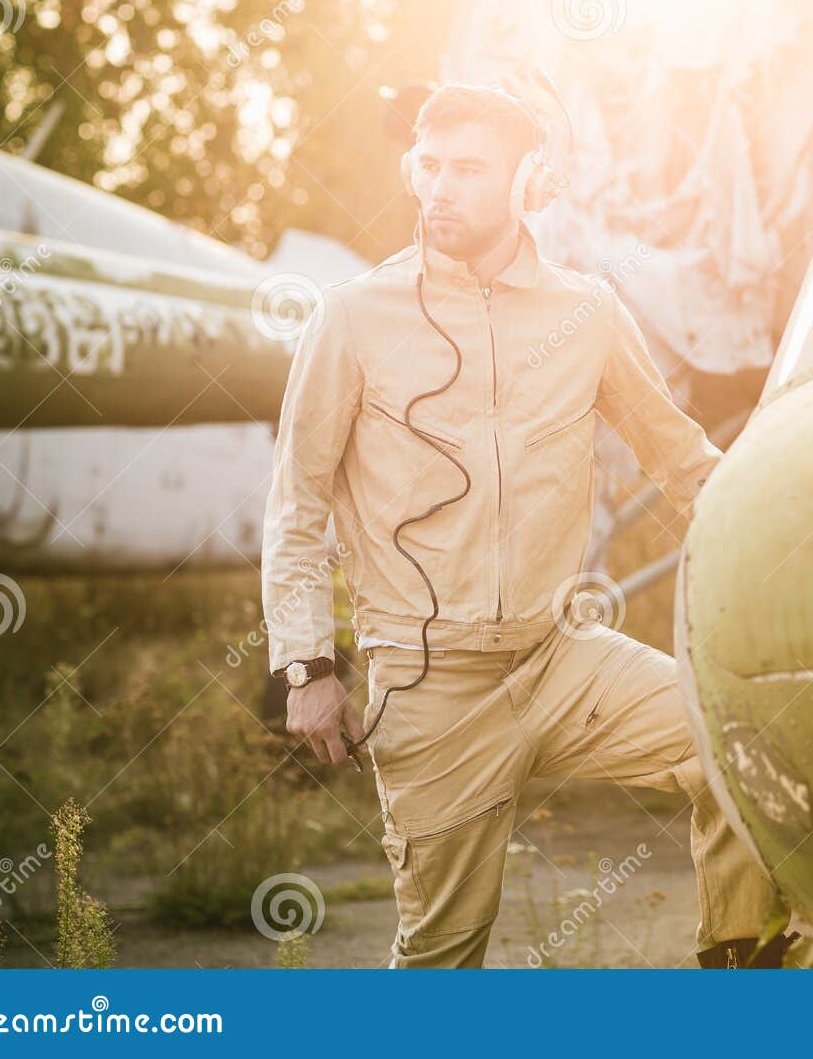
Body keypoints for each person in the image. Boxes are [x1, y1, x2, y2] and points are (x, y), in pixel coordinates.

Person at [261, 81, 783, 968]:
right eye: (428, 166)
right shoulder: (351, 317)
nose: (439, 189)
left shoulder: (587, 312)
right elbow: (296, 506)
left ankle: (741, 983)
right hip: (430, 684)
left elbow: (679, 457)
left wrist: (797, 534)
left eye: (468, 169)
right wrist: (307, 665)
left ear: (529, 182)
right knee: (441, 957)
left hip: (560, 656)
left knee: (739, 748)